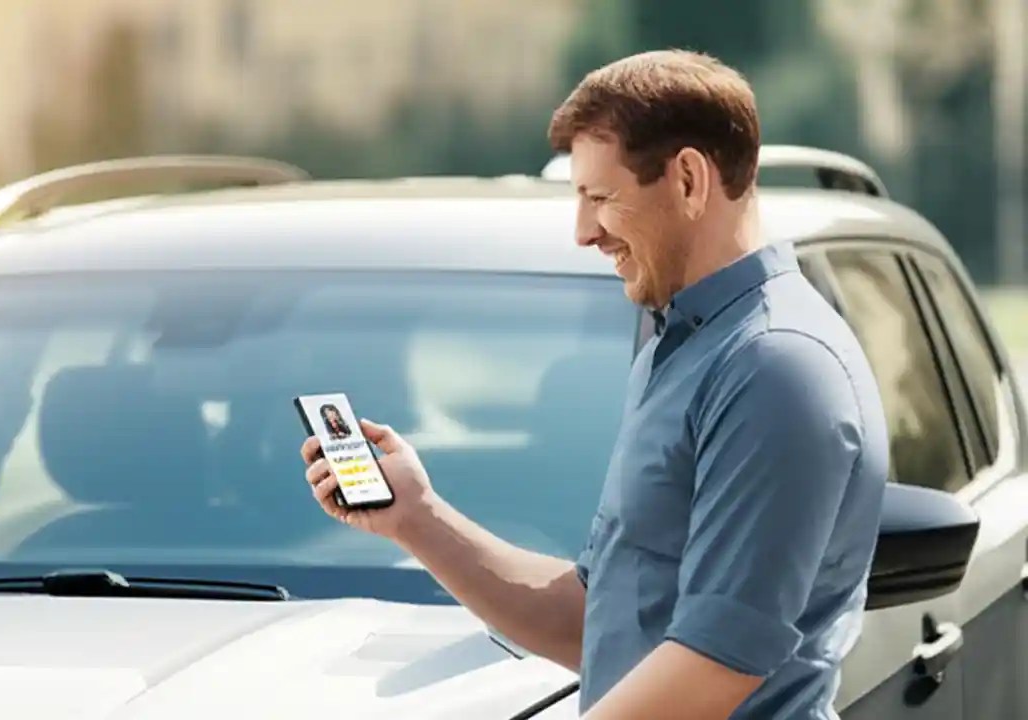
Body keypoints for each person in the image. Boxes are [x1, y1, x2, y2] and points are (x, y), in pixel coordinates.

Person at [301, 49, 887, 720]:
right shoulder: (682, 342)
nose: (583, 232)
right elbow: (600, 622)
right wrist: (418, 518)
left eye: (600, 199)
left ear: (689, 180)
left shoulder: (777, 365)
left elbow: (713, 668)